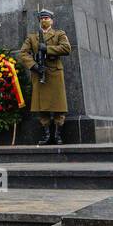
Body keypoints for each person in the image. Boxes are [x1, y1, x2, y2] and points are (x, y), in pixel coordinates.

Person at [18, 8, 74, 145]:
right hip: (39, 73)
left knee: (58, 107)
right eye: (42, 18)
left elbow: (66, 48)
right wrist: (34, 66)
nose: (44, 20)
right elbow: (23, 53)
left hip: (54, 73)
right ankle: (47, 135)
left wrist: (47, 49)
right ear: (39, 20)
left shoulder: (59, 34)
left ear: (51, 20)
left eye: (47, 18)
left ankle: (57, 136)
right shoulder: (32, 37)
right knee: (42, 109)